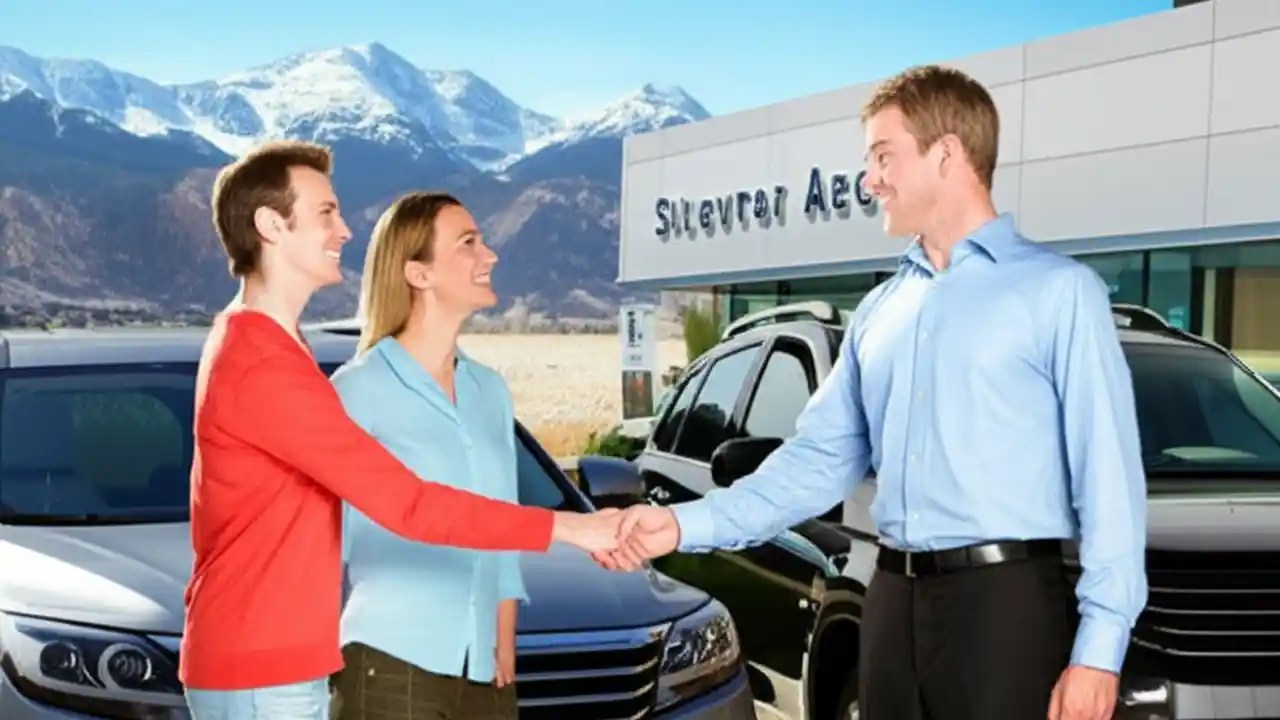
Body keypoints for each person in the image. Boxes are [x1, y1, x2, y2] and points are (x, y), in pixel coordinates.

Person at [601, 64, 1148, 720]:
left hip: (1004, 612)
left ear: (947, 154)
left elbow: (1110, 485)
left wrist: (1099, 651)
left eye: (884, 156)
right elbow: (814, 466)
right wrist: (682, 523)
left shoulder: (1061, 294)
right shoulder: (879, 312)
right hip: (887, 603)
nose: (870, 180)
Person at [181, 140, 622, 720]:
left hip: (272, 658)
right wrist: (572, 528)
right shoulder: (264, 364)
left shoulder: (270, 346)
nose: (344, 230)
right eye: (326, 214)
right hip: (263, 664)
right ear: (271, 226)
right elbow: (408, 504)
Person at [326, 191, 525, 719]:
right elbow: (324, 543)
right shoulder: (356, 390)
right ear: (418, 273)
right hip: (389, 663)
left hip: (485, 670)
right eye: (468, 243)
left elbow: (504, 527)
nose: (490, 255)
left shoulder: (489, 392)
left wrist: (502, 642)